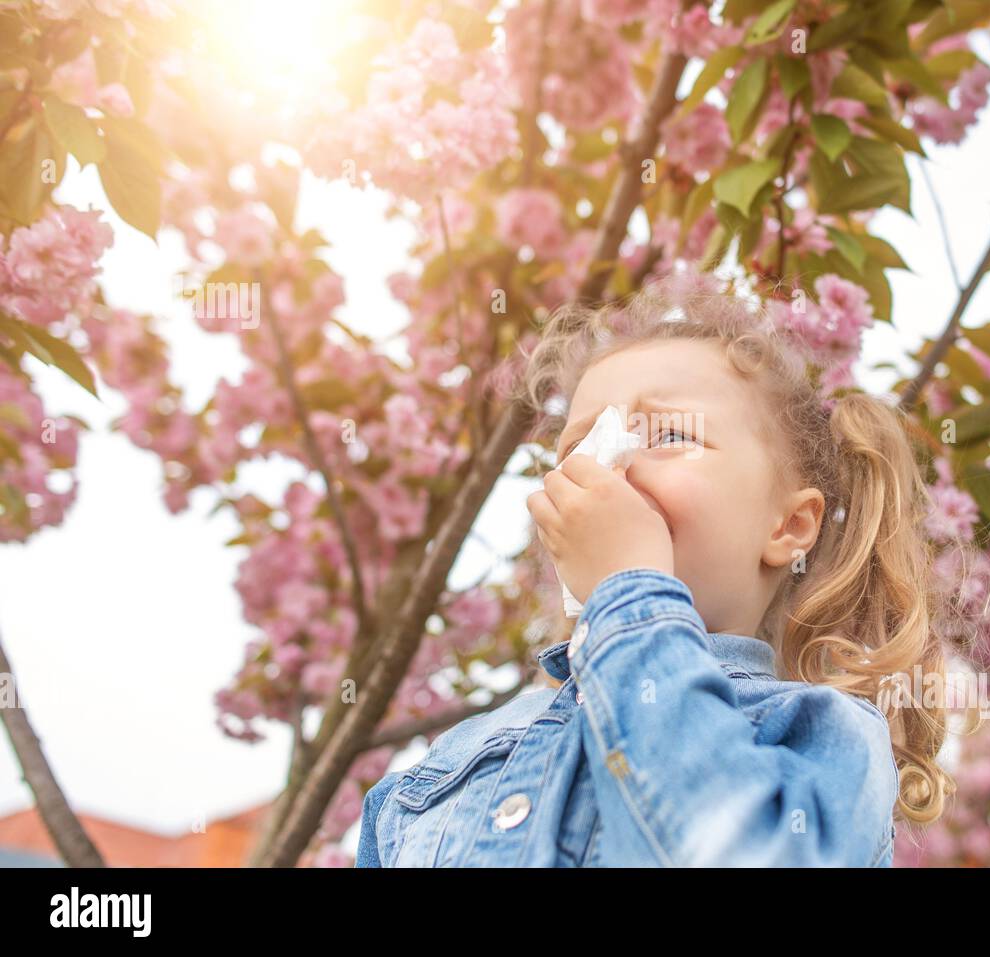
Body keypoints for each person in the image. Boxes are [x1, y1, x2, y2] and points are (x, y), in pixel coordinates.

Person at [356, 276, 953, 867]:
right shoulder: (445, 764)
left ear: (788, 527)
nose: (604, 465)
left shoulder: (821, 736)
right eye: (575, 450)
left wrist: (629, 590)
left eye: (668, 433)